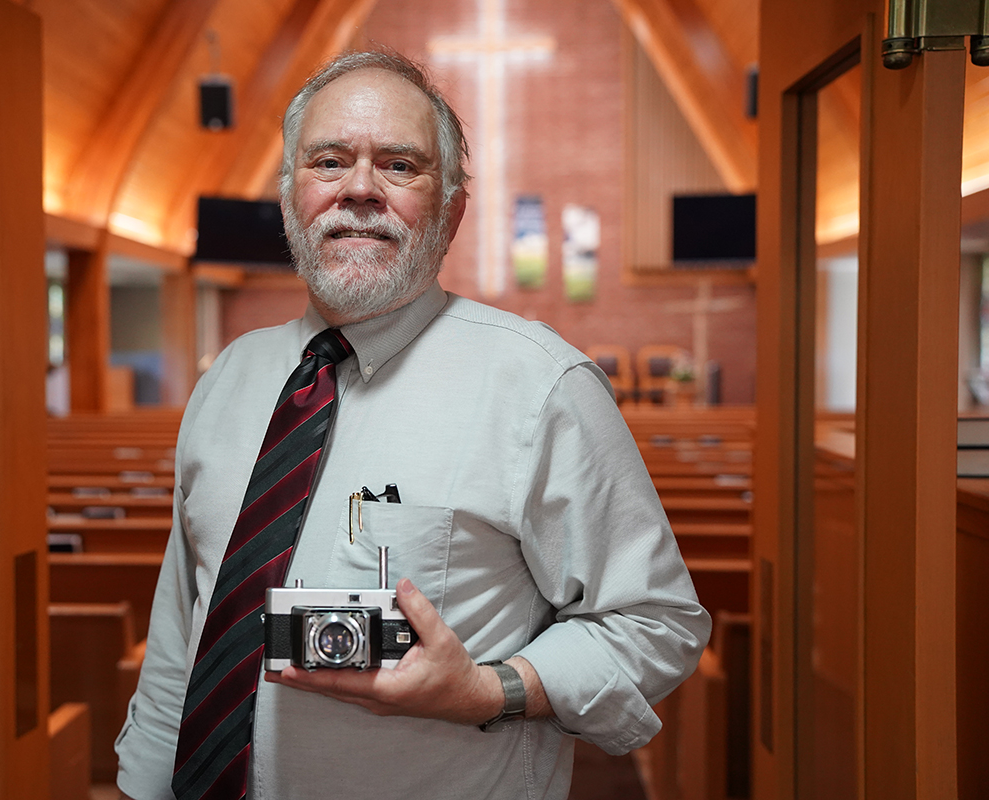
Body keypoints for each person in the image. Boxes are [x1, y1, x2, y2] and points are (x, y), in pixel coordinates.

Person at [115, 49, 710, 800]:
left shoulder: (539, 388)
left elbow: (657, 623)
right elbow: (184, 631)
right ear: (291, 197)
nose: (358, 190)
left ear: (452, 212)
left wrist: (492, 690)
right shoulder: (228, 381)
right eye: (328, 162)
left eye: (399, 165)